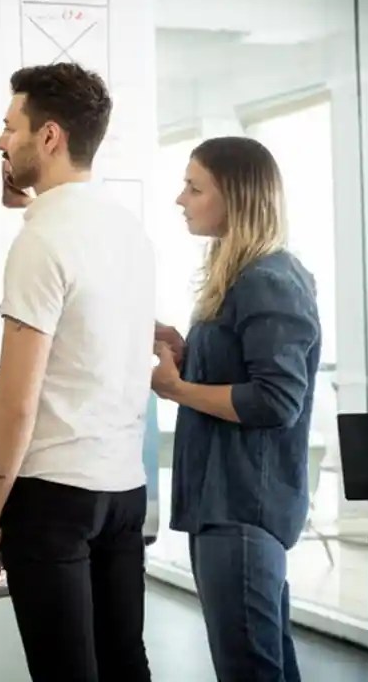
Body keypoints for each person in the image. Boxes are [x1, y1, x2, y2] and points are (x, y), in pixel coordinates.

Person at [0, 62, 156, 682]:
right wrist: (32, 205)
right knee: (125, 664)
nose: (1, 142)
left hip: (53, 498)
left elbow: (16, 402)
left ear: (48, 137)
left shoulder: (42, 242)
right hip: (124, 488)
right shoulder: (127, 229)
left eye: (9, 128)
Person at [151, 136, 321, 682]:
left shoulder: (267, 280)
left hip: (243, 508)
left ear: (237, 198)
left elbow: (275, 399)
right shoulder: (242, 278)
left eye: (194, 188)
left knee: (248, 669)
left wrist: (176, 388)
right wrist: (189, 350)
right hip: (226, 504)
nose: (181, 199)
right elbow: (242, 371)